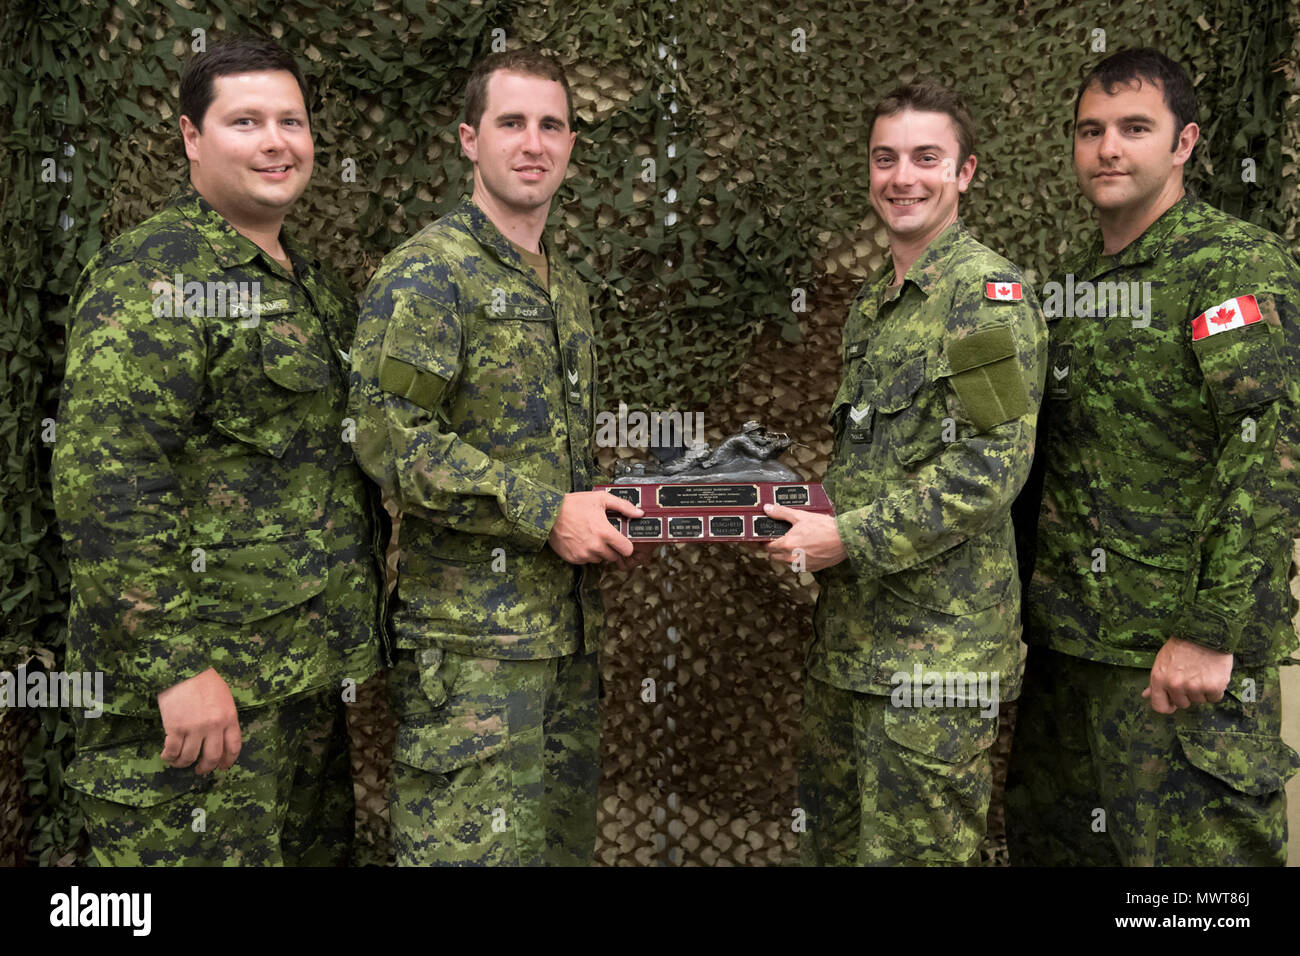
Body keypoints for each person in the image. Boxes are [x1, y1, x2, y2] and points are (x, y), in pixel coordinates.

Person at [50, 35, 387, 866]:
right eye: (246, 121)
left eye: (292, 121)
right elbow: (108, 483)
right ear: (192, 138)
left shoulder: (312, 289)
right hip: (203, 701)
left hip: (300, 689)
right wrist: (176, 667)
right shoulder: (157, 276)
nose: (277, 142)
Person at [1005, 48, 1300, 866]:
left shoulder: (1231, 265)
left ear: (1184, 144)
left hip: (1178, 670)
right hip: (1068, 662)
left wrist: (1211, 631)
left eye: (1136, 128)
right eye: (1090, 130)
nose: (1109, 149)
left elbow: (1272, 451)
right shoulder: (1073, 287)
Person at [348, 48, 640, 866]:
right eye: (511, 122)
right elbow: (387, 434)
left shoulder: (567, 290)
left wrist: (602, 508)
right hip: (473, 658)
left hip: (566, 648)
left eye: (551, 125)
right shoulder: (428, 274)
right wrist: (545, 512)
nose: (533, 143)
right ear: (469, 139)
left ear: (573, 145)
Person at [766, 82, 1047, 865]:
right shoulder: (874, 306)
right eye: (885, 158)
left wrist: (845, 538)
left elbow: (993, 465)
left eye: (927, 158)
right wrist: (779, 513)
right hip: (851, 653)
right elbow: (872, 464)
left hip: (936, 667)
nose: (903, 177)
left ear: (966, 173)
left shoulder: (987, 298)